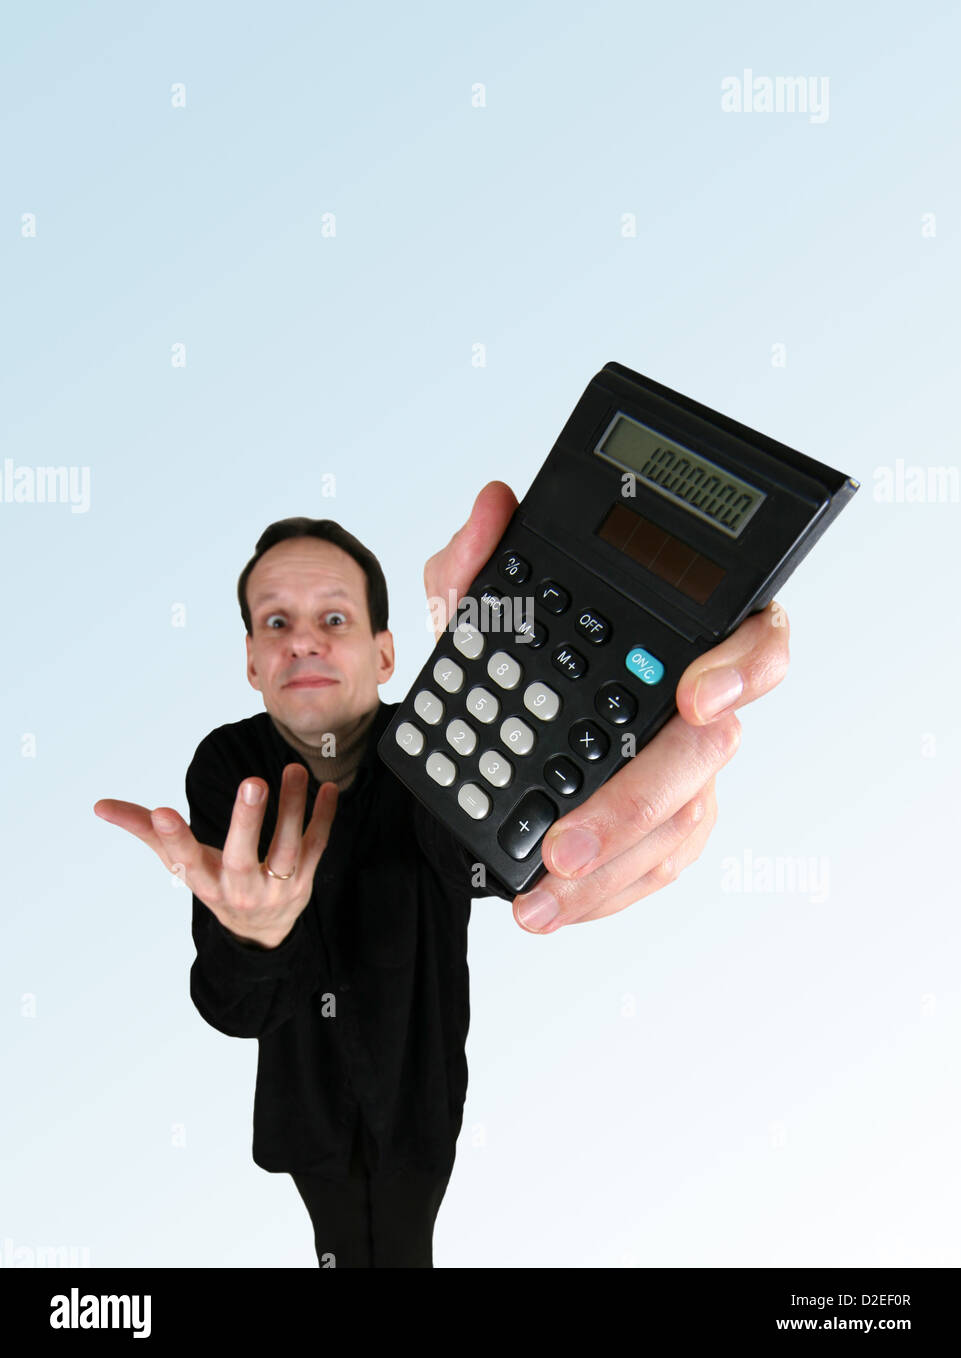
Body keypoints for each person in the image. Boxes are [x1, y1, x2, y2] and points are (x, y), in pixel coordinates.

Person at [94, 480, 790, 1267]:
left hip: (416, 1107)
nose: (303, 642)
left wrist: (603, 753)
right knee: (338, 1248)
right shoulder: (228, 764)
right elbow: (230, 1006)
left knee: (400, 1251)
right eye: (275, 623)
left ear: (385, 653)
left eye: (333, 618)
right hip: (309, 1113)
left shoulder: (444, 740)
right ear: (252, 662)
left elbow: (495, 854)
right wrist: (253, 936)